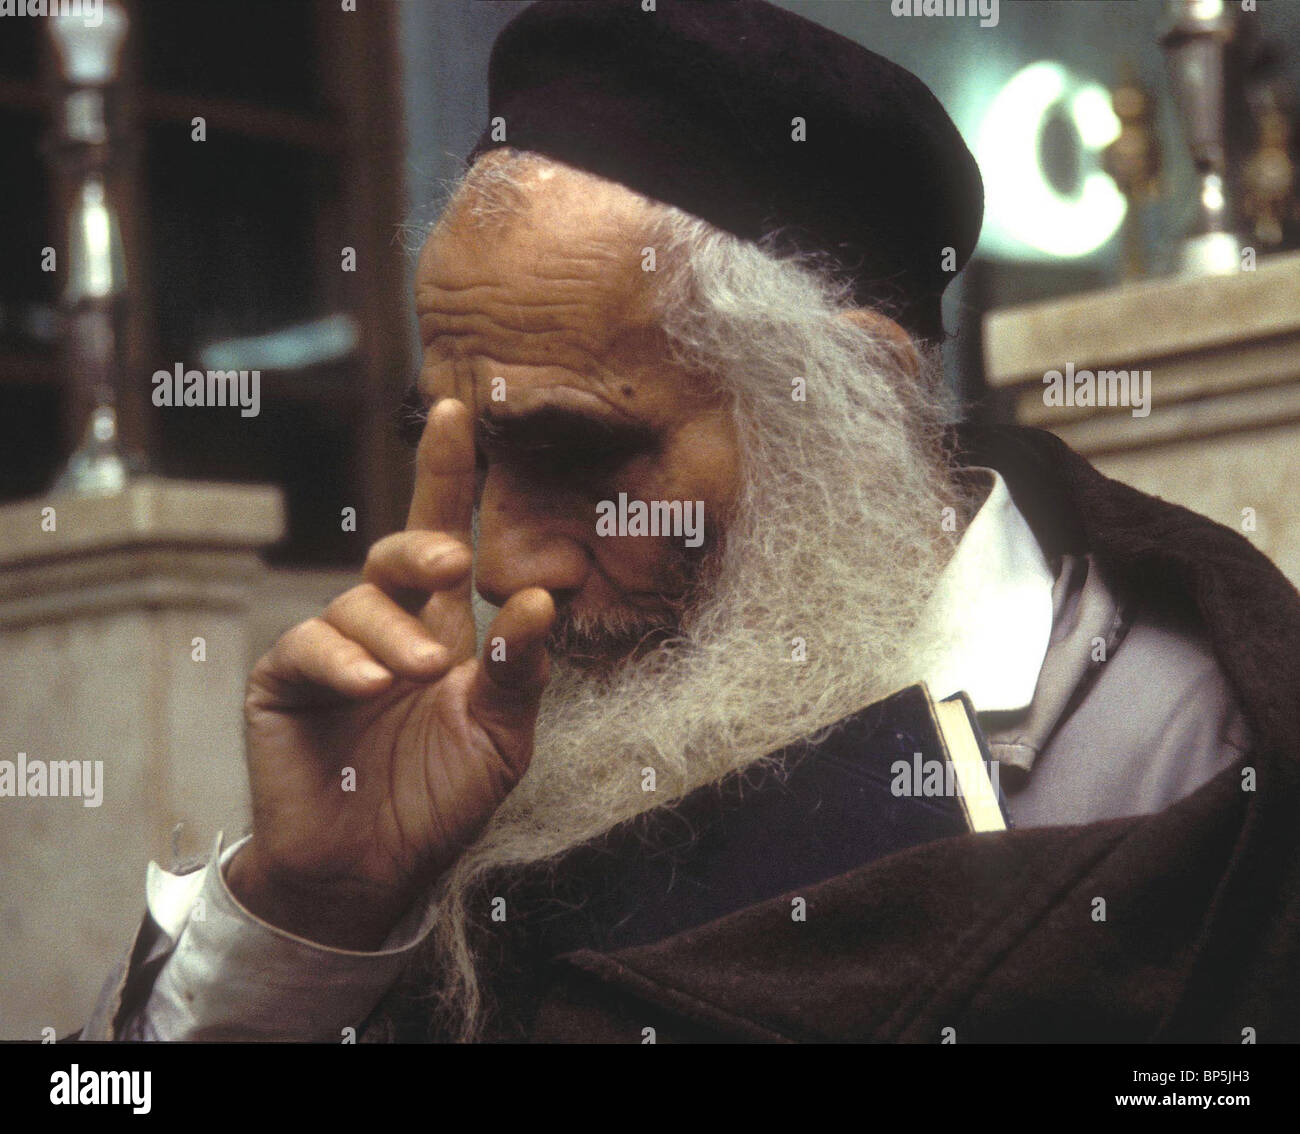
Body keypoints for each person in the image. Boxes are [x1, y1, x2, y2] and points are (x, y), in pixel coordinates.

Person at [82, 0, 1300, 1043]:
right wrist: (311, 913)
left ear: (855, 394)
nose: (503, 565)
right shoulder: (466, 749)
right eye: (466, 453)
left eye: (578, 454)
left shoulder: (1182, 755)